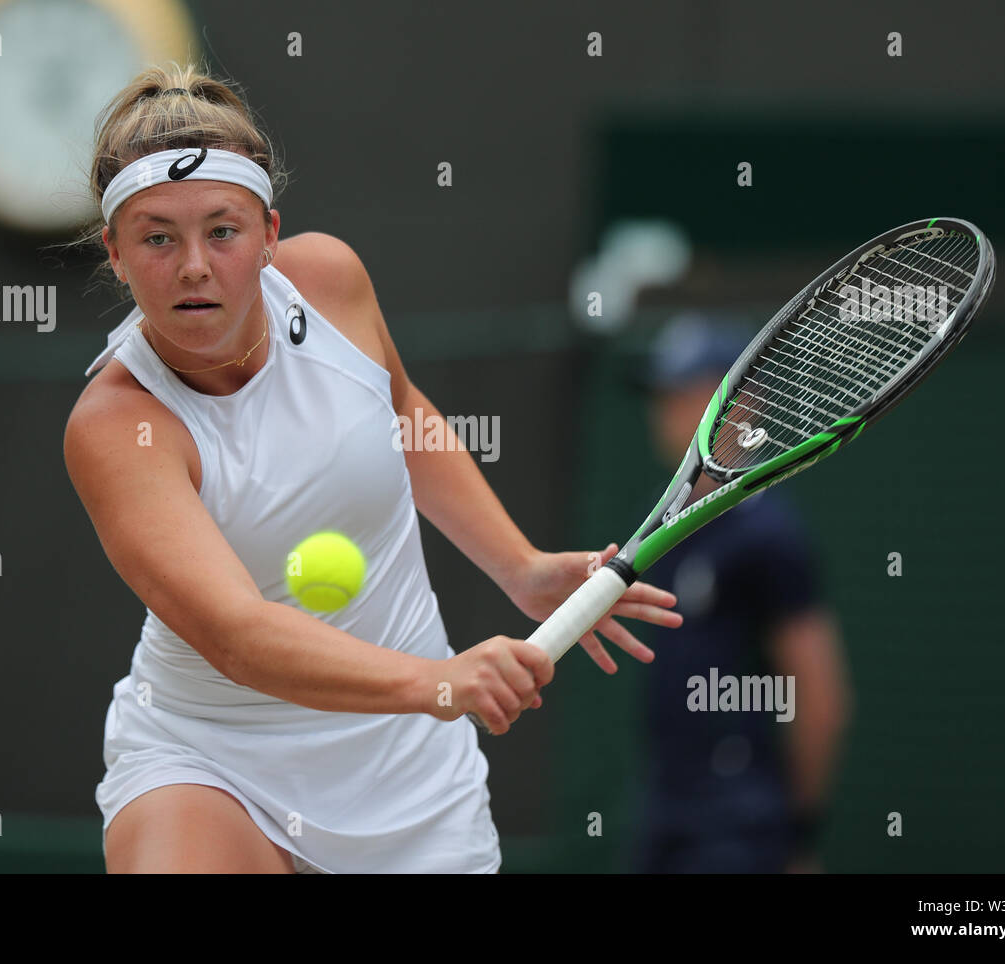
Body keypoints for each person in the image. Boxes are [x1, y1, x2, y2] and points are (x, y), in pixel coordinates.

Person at [63, 63, 683, 874]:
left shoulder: (329, 281)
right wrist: (441, 683)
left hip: (408, 776)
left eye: (223, 230)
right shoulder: (117, 427)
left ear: (270, 234)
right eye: (156, 237)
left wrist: (522, 569)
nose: (193, 267)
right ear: (113, 251)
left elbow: (401, 413)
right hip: (212, 758)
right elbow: (237, 636)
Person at [629, 314, 853, 873]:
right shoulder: (667, 532)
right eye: (661, 395)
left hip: (742, 827)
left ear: (741, 405)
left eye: (684, 393)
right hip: (663, 812)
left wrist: (798, 833)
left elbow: (821, 698)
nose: (664, 410)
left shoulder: (767, 536)